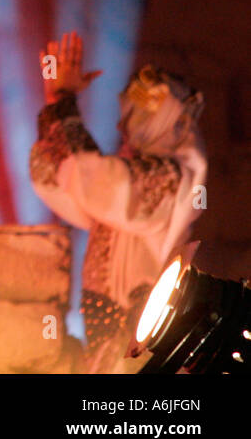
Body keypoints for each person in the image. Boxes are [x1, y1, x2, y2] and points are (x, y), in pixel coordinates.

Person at [30, 31, 207, 373]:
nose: (124, 125)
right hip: (108, 353)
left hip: (138, 352)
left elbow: (94, 179)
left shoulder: (173, 176)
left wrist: (64, 100)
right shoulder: (139, 172)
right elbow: (60, 178)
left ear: (169, 117)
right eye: (128, 113)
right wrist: (56, 103)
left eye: (140, 114)